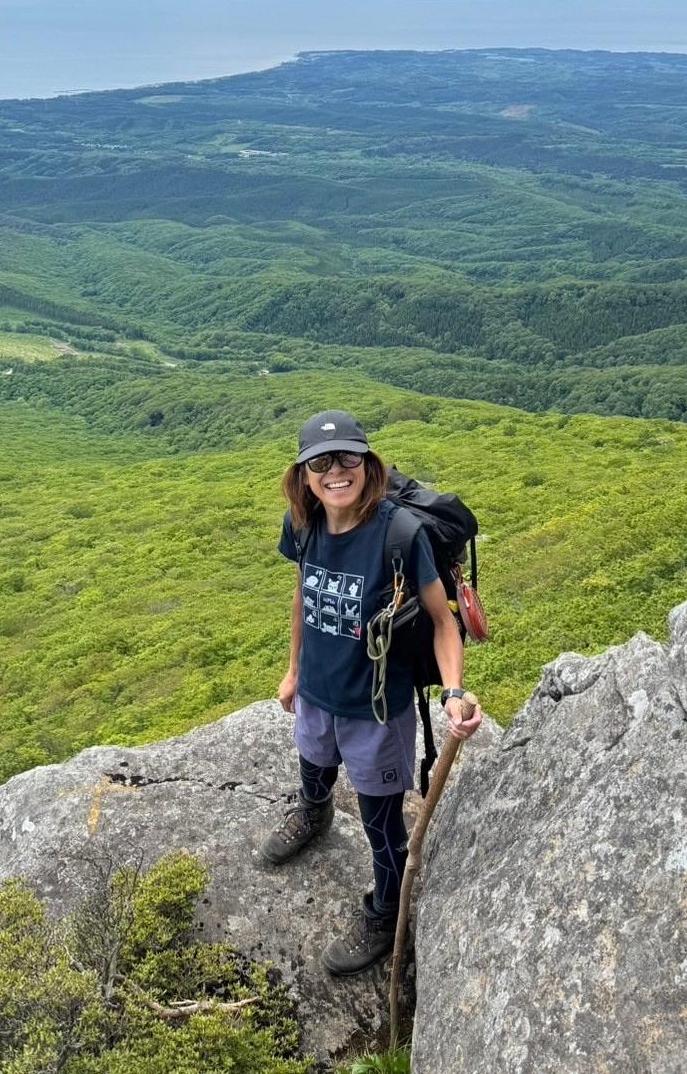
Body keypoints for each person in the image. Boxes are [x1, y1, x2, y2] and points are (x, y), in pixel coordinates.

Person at [260, 409, 482, 975]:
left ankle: (384, 914)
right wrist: (293, 670)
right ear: (303, 474)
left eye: (347, 458)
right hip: (318, 690)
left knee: (382, 825)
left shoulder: (398, 535)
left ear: (368, 463)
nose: (335, 472)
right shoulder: (302, 524)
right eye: (320, 463)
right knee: (312, 760)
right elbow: (303, 596)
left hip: (377, 707)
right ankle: (313, 812)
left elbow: (442, 621)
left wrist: (453, 691)